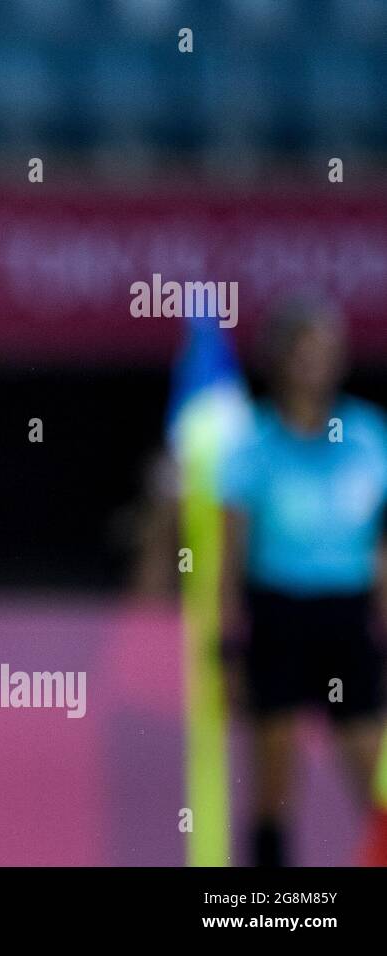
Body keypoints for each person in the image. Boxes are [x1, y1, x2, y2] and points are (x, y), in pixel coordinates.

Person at [219, 296, 387, 866]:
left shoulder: (368, 434)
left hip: (348, 619)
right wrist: (226, 648)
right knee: (273, 786)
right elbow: (226, 557)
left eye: (328, 352)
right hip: (278, 619)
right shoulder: (253, 445)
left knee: (375, 780)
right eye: (304, 351)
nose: (316, 363)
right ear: (280, 359)